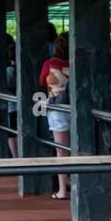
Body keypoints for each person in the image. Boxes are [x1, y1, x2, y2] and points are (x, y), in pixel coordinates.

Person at [39, 33, 71, 200]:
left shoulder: (49, 64)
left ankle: (62, 190)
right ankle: (74, 183)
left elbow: (41, 81)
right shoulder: (75, 64)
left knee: (61, 150)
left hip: (57, 108)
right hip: (75, 108)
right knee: (77, 149)